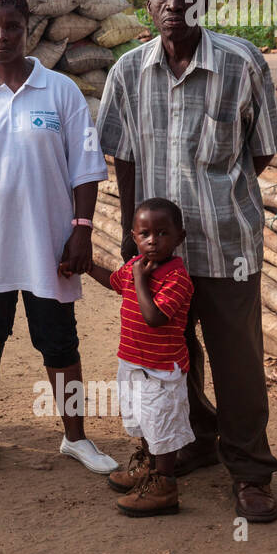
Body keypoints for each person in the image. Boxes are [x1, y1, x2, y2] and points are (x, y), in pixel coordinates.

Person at [96, 0, 277, 523]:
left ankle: (252, 473)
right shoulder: (128, 72)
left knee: (238, 364)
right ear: (148, 7)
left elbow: (262, 150)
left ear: (205, 2)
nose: (175, 6)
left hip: (227, 247)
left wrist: (217, 197)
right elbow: (123, 159)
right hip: (161, 257)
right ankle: (195, 442)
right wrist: (137, 242)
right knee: (172, 360)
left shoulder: (241, 62)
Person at [0, 0, 116, 473]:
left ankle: (76, 439)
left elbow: (86, 169)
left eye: (12, 26)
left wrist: (81, 229)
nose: (2, 36)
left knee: (60, 344)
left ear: (29, 30)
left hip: (49, 247)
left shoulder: (61, 92)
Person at [74, 198, 194, 516]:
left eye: (162, 233)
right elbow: (115, 282)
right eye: (145, 234)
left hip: (160, 371)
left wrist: (140, 280)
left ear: (179, 237)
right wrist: (87, 268)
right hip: (132, 361)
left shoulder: (176, 278)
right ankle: (148, 469)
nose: (153, 241)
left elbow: (154, 317)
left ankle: (164, 484)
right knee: (142, 420)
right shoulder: (133, 267)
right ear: (134, 236)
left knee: (162, 426)